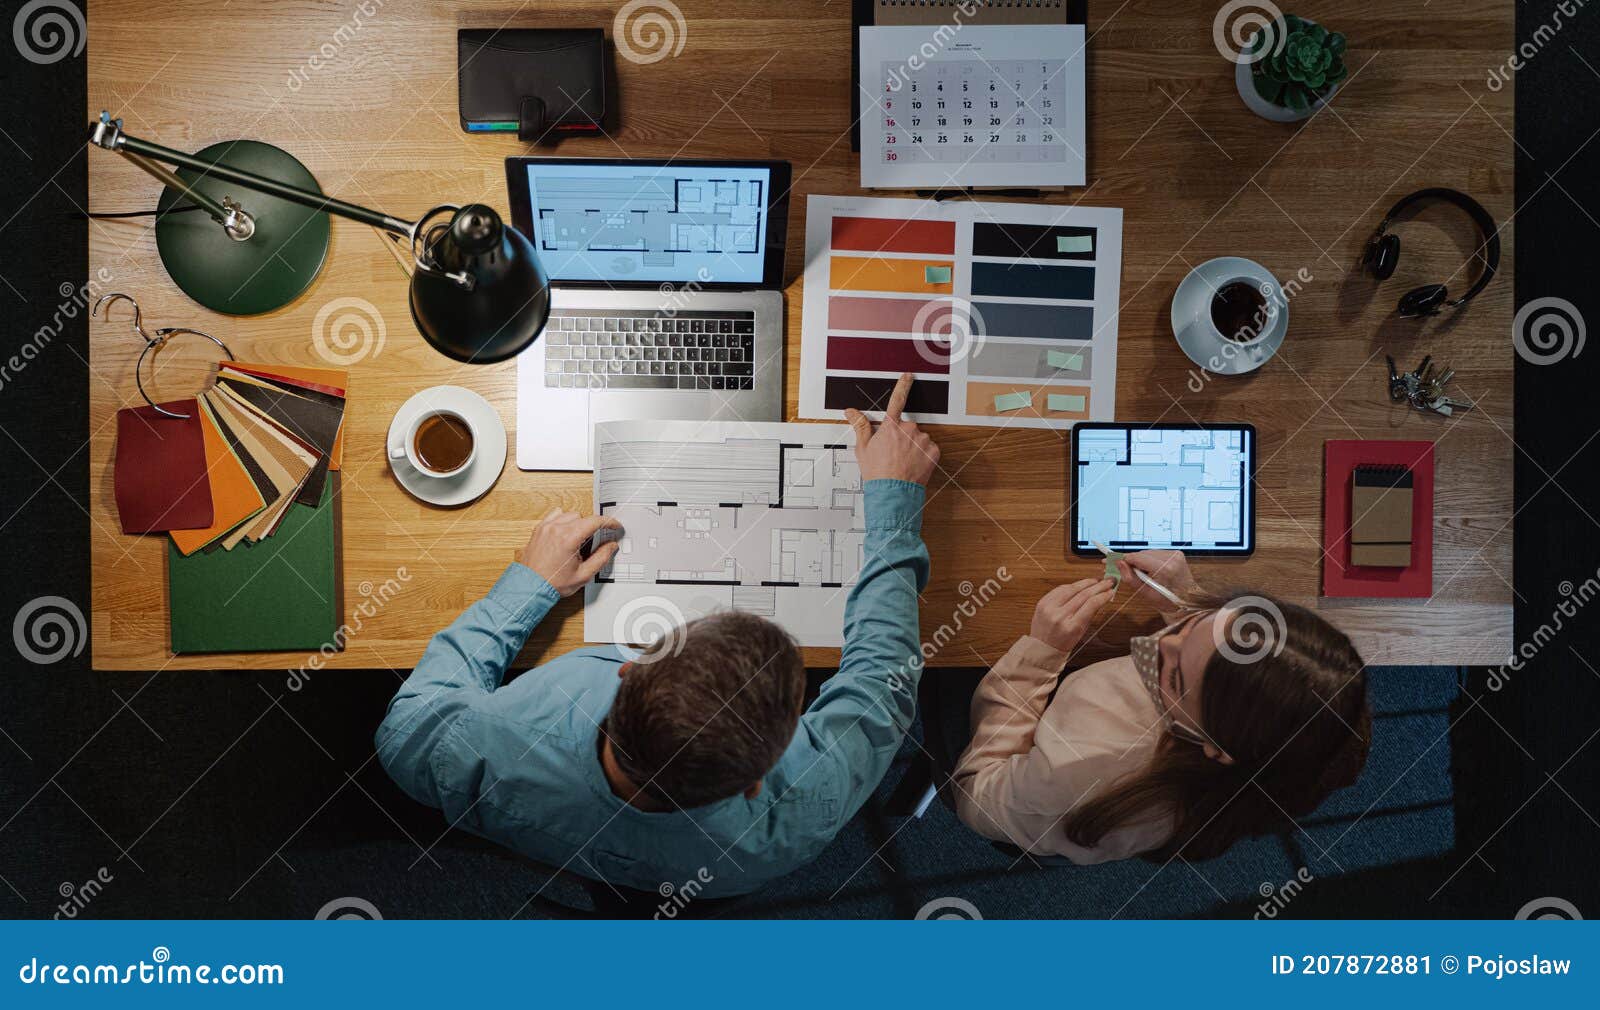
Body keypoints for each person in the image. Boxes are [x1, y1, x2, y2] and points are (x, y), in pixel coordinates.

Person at [375, 374, 940, 899]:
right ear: (753, 784)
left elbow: (404, 727)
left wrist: (529, 585)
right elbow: (881, 685)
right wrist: (893, 503)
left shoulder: (474, 750)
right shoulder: (801, 816)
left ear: (628, 670)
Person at [953, 550, 1369, 863]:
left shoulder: (1084, 765)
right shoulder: (1316, 713)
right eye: (1199, 622)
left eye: (1173, 676)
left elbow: (975, 796)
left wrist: (1039, 656)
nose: (1150, 644)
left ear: (1215, 747)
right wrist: (1182, 599)